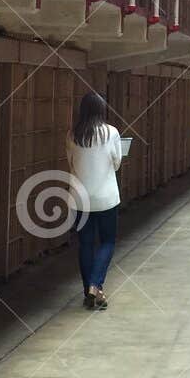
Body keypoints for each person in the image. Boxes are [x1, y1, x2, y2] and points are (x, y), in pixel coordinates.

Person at [66, 91, 123, 310]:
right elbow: (117, 163)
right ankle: (95, 285)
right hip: (106, 198)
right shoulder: (111, 132)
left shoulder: (72, 134)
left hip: (80, 200)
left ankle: (88, 292)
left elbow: (70, 163)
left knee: (85, 244)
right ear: (102, 110)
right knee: (107, 241)